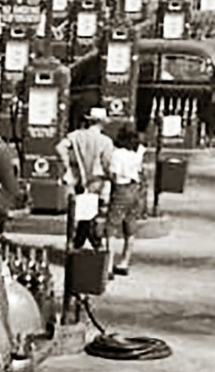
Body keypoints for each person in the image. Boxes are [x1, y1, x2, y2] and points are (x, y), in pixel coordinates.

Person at [57, 108, 115, 250]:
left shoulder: (76, 135)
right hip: (96, 181)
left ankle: (77, 241)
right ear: (102, 123)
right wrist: (111, 177)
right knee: (90, 213)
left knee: (78, 211)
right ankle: (92, 243)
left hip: (77, 180)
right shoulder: (105, 142)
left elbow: (59, 147)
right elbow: (107, 163)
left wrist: (68, 166)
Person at [105, 124, 147, 277]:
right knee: (130, 227)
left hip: (121, 190)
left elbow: (114, 175)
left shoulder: (118, 154)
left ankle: (108, 265)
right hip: (135, 189)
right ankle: (124, 262)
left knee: (111, 227)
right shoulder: (137, 153)